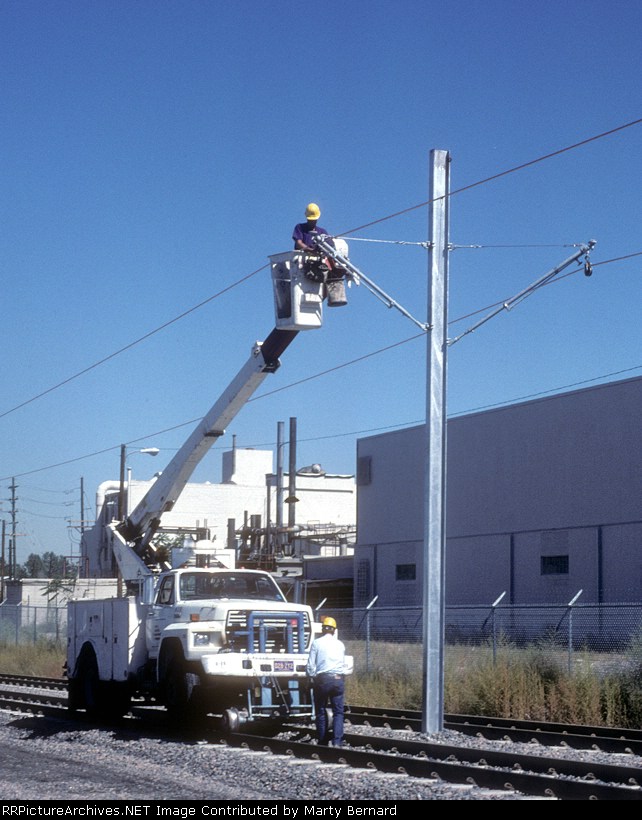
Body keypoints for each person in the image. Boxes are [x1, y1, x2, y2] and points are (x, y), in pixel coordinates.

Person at [292, 203, 347, 307]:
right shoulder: (300, 228)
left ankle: (319, 301)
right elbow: (298, 243)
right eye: (310, 219)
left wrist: (322, 250)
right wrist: (309, 249)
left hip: (318, 264)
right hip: (302, 263)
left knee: (325, 279)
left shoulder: (322, 232)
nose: (312, 221)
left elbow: (330, 246)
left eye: (313, 219)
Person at [306, 615, 347, 747]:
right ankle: (337, 741)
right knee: (338, 712)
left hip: (323, 680)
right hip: (338, 679)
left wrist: (312, 677)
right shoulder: (340, 644)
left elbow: (311, 666)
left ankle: (322, 741)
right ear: (334, 630)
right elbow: (343, 664)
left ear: (323, 629)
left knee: (321, 710)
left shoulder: (317, 643)